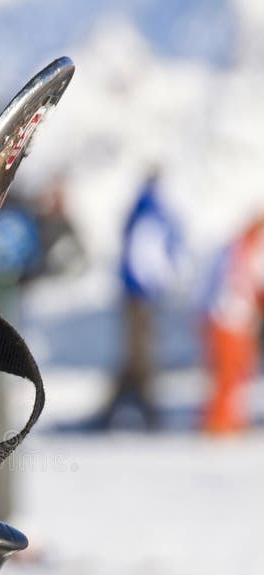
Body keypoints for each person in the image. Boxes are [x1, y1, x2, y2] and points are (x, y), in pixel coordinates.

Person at [98, 169, 181, 429]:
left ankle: (121, 409)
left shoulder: (141, 206)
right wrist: (156, 282)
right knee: (141, 353)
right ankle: (145, 410)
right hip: (141, 294)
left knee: (136, 352)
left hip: (136, 291)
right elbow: (145, 252)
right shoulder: (151, 209)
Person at [200, 214, 264, 433]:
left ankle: (232, 420)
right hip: (230, 319)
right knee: (227, 374)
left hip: (236, 319)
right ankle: (220, 422)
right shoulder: (242, 252)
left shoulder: (240, 251)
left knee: (238, 374)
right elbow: (244, 286)